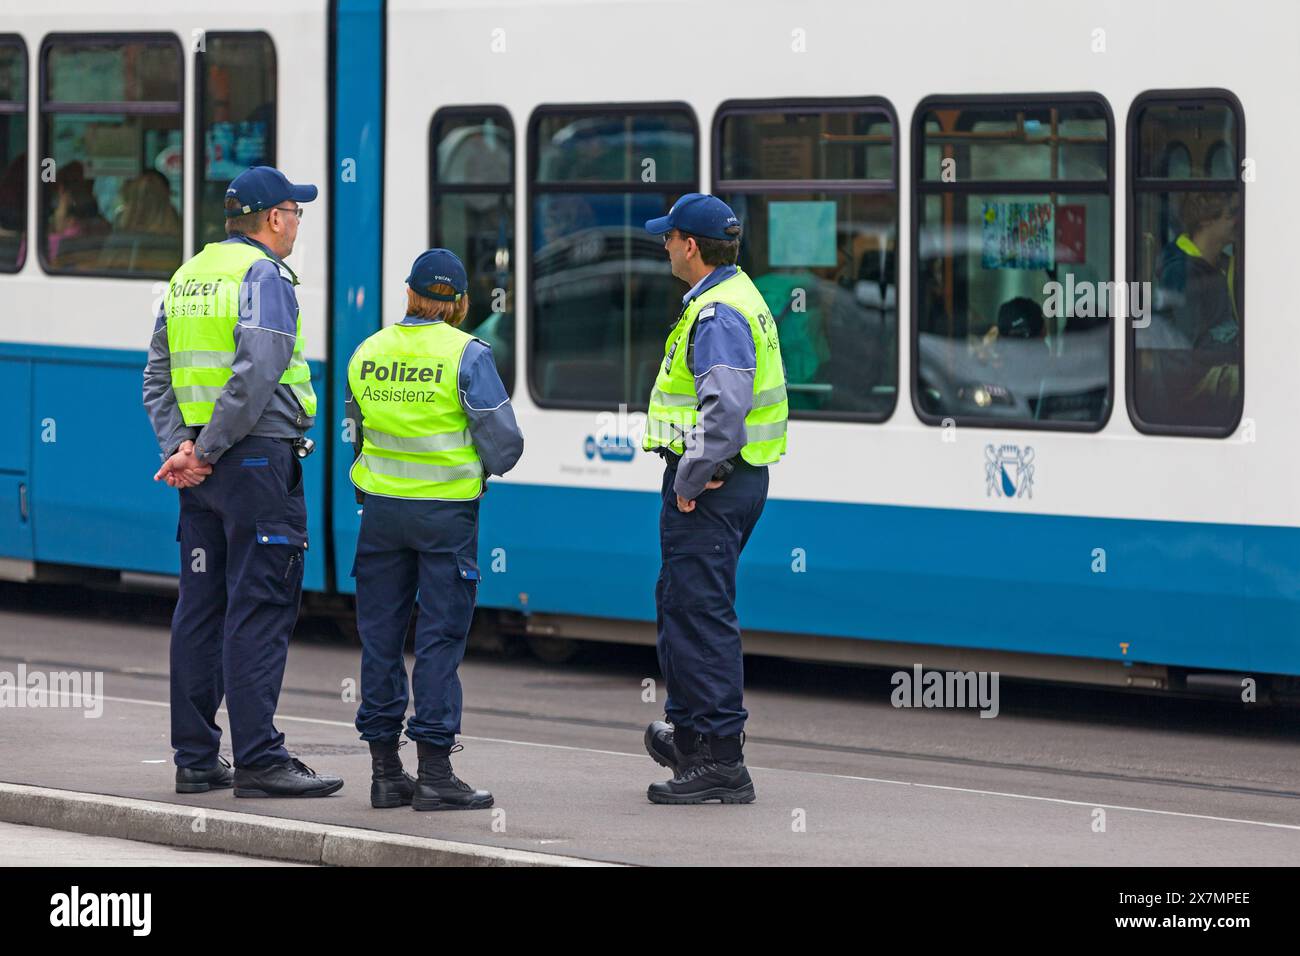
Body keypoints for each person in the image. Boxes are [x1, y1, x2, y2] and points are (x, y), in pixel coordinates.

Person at [143, 165, 343, 798]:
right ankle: (259, 758)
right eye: (296, 214)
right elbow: (259, 370)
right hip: (255, 464)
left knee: (200, 610)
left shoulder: (188, 276)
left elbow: (156, 373)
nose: (298, 225)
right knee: (259, 607)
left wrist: (183, 446)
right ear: (274, 219)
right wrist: (204, 446)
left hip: (203, 477)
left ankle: (197, 758)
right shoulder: (266, 277)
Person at [346, 248, 523, 811]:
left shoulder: (367, 352)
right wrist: (475, 466)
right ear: (462, 303)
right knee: (439, 640)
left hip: (380, 513)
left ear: (409, 295)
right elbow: (506, 445)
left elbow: (360, 433)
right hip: (445, 516)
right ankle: (437, 774)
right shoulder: (467, 354)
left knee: (380, 639)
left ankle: (384, 772)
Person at [640, 194, 788, 804]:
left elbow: (723, 412)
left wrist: (689, 481)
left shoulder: (719, 313)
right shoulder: (736, 296)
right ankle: (691, 738)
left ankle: (722, 760)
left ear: (691, 245)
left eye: (669, 237)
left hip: (714, 485)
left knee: (701, 619)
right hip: (735, 479)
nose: (665, 246)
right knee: (684, 606)